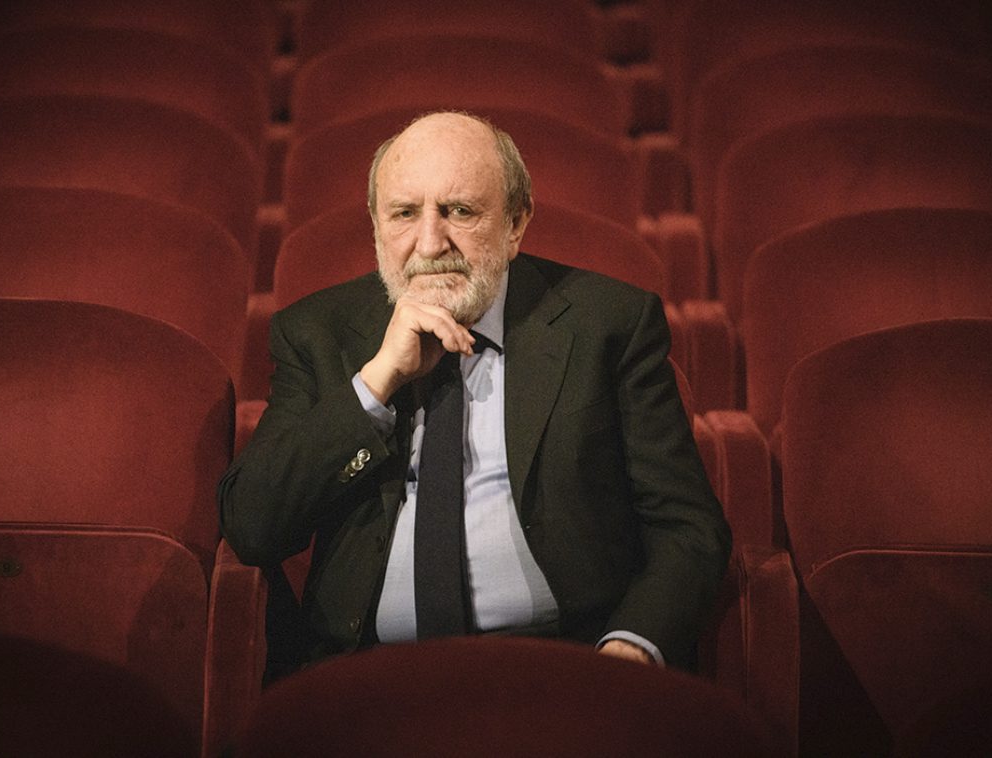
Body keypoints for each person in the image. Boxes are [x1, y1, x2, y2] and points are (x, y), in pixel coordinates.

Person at [218, 111, 730, 673]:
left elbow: (688, 527)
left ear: (515, 224)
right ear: (375, 225)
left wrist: (631, 645)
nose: (431, 242)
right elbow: (254, 527)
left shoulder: (607, 324)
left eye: (459, 211)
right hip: (366, 676)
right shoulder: (319, 333)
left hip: (565, 668)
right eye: (405, 214)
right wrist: (376, 382)